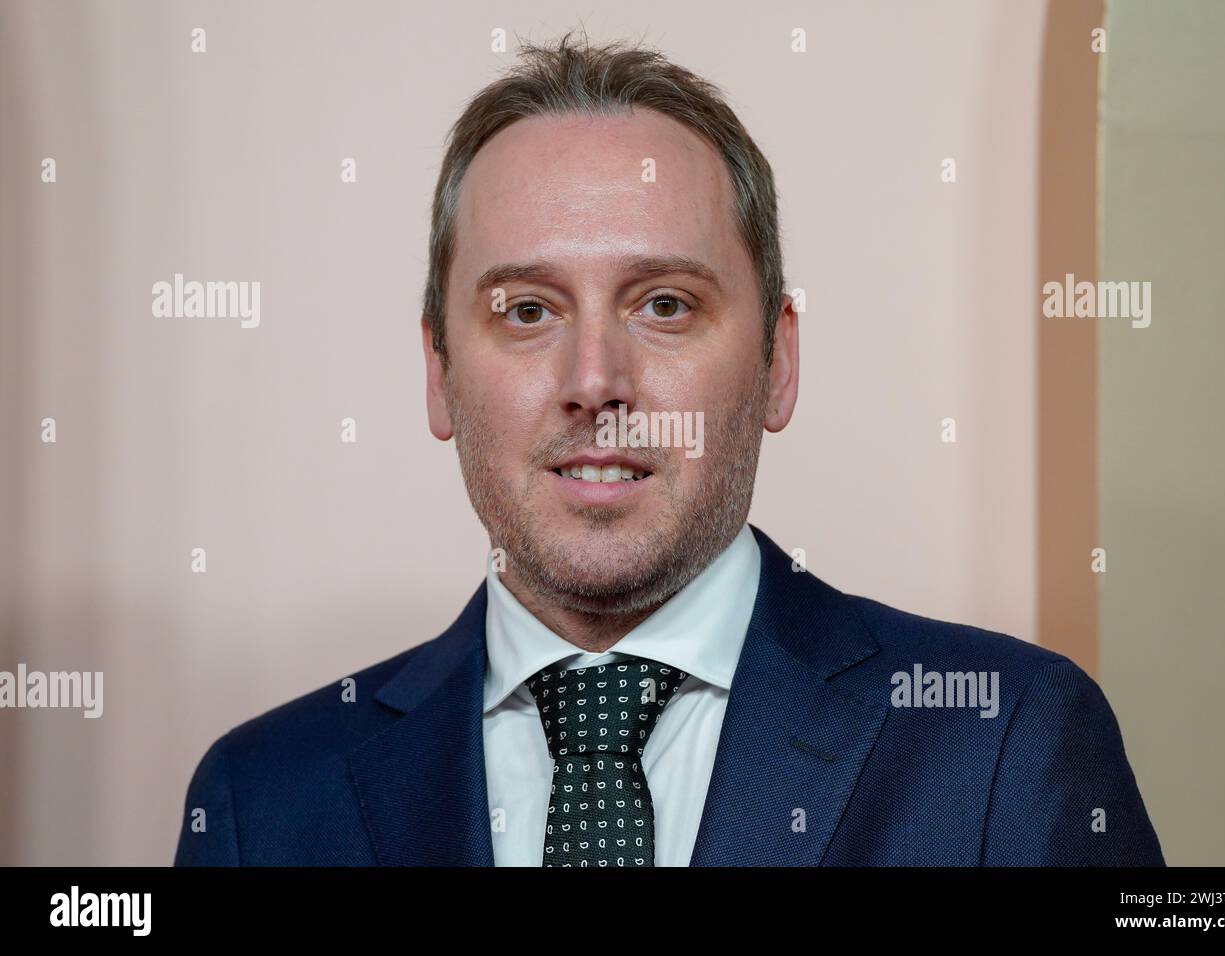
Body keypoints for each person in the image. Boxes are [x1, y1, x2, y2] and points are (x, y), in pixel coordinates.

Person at [175, 30, 1163, 867]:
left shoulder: (1002, 743)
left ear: (778, 360)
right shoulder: (263, 804)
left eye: (664, 304)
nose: (595, 378)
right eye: (525, 309)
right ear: (438, 371)